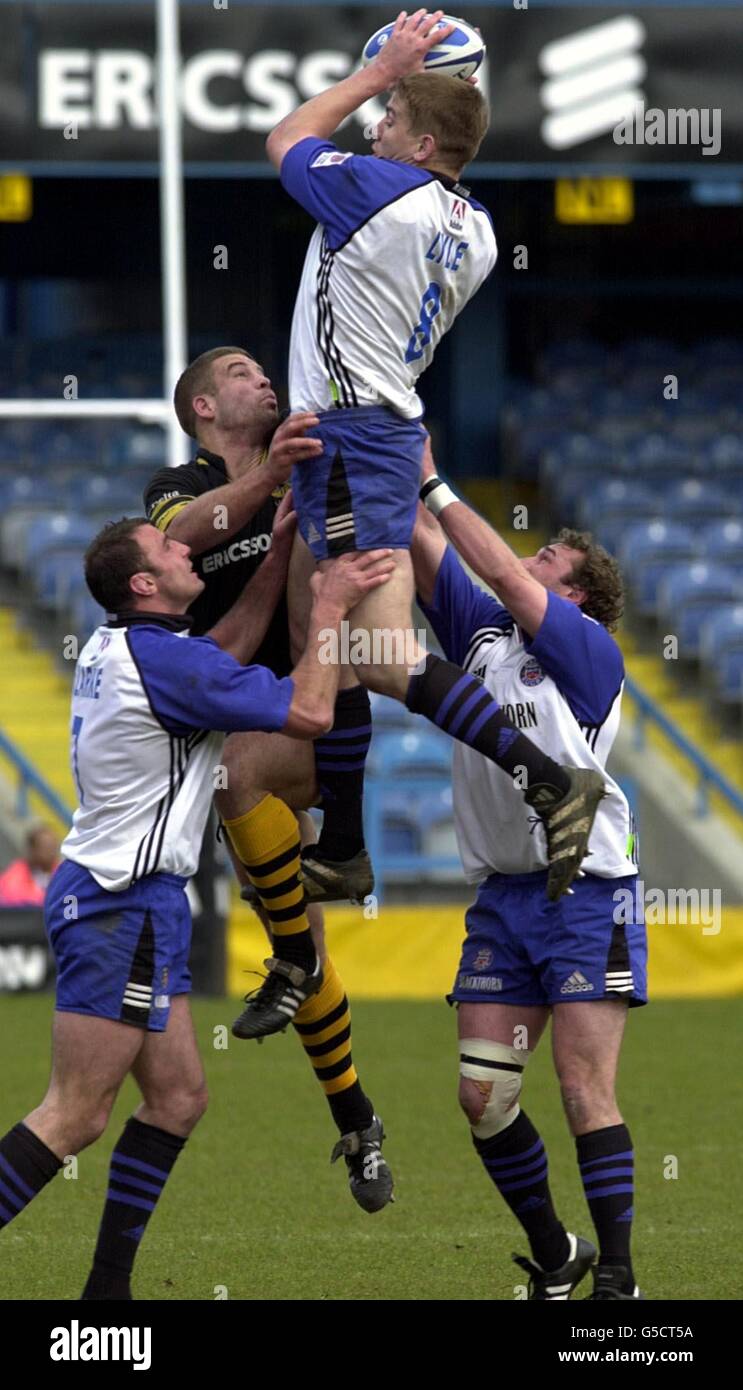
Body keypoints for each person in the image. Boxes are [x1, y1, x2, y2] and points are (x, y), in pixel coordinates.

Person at [248, 7, 606, 1047]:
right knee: (335, 645)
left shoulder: (375, 189)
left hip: (353, 438)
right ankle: (346, 842)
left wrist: (379, 70)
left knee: (373, 652)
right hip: (378, 431)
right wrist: (406, 83)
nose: (374, 123)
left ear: (419, 140)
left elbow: (284, 136)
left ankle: (547, 780)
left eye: (391, 115)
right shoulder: (476, 228)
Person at [0, 508, 393, 1299]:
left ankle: (107, 1293)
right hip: (123, 905)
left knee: (178, 1100)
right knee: (75, 1113)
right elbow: (312, 714)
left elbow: (223, 648)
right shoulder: (167, 663)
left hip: (127, 900)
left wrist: (275, 554)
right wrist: (326, 607)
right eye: (166, 546)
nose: (184, 546)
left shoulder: (130, 646)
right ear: (146, 584)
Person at [144, 349, 394, 1212]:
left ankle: (319, 891)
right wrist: (270, 479)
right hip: (247, 725)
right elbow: (180, 538)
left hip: (312, 712)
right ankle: (357, 1121)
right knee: (308, 948)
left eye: (263, 369)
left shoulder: (309, 457)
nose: (263, 379)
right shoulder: (180, 484)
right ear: (203, 407)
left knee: (320, 539)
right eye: (241, 372)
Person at [410, 448, 646, 1301]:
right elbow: (421, 542)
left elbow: (503, 575)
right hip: (503, 897)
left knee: (583, 1092)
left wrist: (433, 477)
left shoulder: (587, 649)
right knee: (482, 1098)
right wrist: (382, 456)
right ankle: (556, 1253)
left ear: (575, 596)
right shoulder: (483, 637)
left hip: (585, 891)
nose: (529, 558)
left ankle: (617, 1279)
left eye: (550, 558)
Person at [0, 824, 60, 906]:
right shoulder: (16, 873)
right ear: (32, 849)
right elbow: (14, 897)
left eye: (53, 847)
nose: (51, 852)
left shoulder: (62, 872)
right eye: (45, 847)